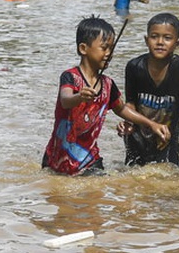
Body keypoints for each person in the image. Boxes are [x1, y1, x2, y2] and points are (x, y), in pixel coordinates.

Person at [42, 15, 170, 176]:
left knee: (98, 194)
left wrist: (151, 124)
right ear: (83, 49)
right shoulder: (70, 77)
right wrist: (79, 97)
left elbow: (121, 109)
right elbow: (65, 100)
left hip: (90, 159)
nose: (109, 53)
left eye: (112, 48)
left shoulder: (108, 85)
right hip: (57, 158)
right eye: (104, 48)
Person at [117, 13, 179, 166]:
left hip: (167, 139)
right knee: (133, 178)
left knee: (168, 178)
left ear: (178, 43)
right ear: (146, 40)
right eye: (154, 36)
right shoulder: (134, 67)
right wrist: (127, 122)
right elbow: (130, 103)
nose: (160, 42)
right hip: (137, 137)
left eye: (167, 38)